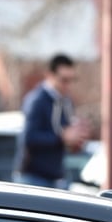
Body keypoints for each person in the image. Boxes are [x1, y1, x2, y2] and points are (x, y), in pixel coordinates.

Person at [14, 53, 90, 189]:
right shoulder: (37, 100)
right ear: (50, 75)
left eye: (72, 80)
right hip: (33, 177)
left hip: (57, 177)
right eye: (64, 80)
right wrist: (62, 137)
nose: (68, 85)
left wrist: (76, 140)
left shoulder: (66, 101)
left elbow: (65, 139)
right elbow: (28, 138)